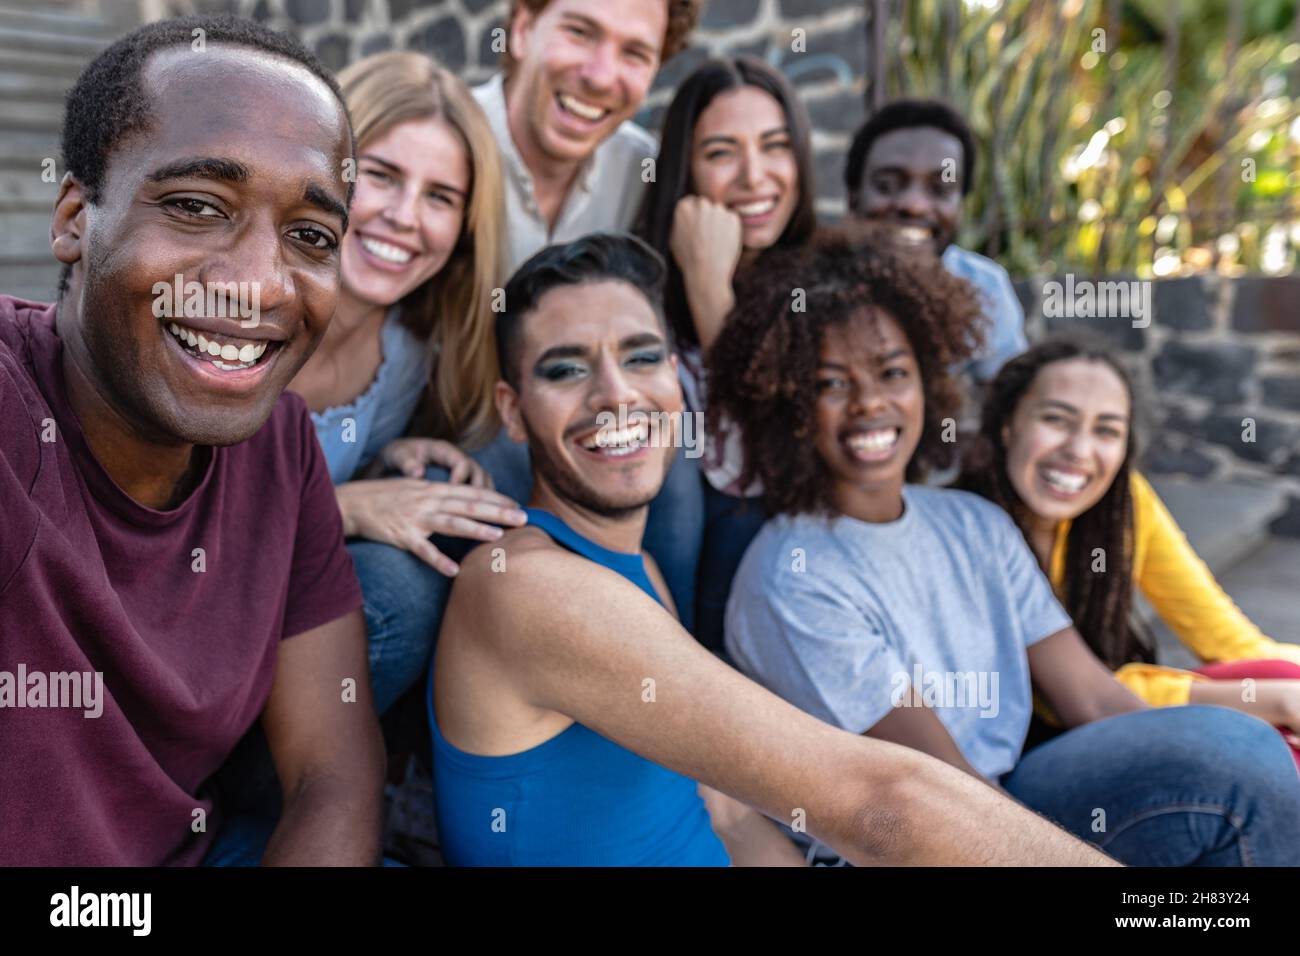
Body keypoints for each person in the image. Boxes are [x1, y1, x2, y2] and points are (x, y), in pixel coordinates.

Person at [427, 232, 1115, 867]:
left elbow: (724, 811)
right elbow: (879, 804)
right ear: (512, 411)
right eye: (566, 369)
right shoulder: (529, 587)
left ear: (676, 380)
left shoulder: (636, 572)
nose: (616, 394)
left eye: (640, 357)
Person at [716, 226, 1300, 866]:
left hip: (1006, 797)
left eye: (892, 372)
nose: (870, 403)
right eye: (832, 383)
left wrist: (1191, 750)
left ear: (928, 382)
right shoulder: (793, 576)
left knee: (1238, 750)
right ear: (793, 403)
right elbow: (935, 791)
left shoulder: (975, 524)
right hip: (907, 838)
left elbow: (1095, 699)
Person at [0, 15, 384, 866]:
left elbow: (332, 774)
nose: (258, 285)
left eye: (310, 236)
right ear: (75, 218)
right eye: (196, 208)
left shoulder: (280, 443)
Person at [286, 51, 524, 716]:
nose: (405, 216)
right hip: (179, 617)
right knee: (396, 593)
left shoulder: (406, 356)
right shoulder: (234, 314)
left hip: (287, 604)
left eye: (440, 197)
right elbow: (174, 528)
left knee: (466, 485)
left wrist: (385, 457)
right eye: (381, 176)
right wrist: (347, 506)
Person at [462, 0, 707, 629]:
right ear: (521, 29)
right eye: (579, 32)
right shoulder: (447, 143)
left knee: (673, 449)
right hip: (452, 430)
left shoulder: (641, 169)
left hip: (568, 429)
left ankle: (674, 649)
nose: (601, 75)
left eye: (634, 53)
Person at [955, 337, 1300, 766]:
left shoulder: (1124, 506)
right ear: (1008, 425)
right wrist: (1276, 701)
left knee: (1282, 680)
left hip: (1115, 706)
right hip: (1032, 753)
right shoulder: (966, 529)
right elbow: (1072, 700)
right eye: (1056, 419)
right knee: (1268, 722)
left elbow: (1225, 637)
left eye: (1106, 430)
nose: (1079, 451)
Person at [634, 55, 816, 650]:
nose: (754, 177)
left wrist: (710, 286)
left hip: (762, 563)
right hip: (660, 561)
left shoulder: (824, 287)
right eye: (721, 153)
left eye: (775, 146)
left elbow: (779, 452)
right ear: (684, 171)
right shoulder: (636, 286)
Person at [844, 98, 1027, 383]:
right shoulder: (810, 285)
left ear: (960, 206)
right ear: (853, 198)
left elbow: (1007, 394)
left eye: (940, 188)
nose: (914, 205)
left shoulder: (984, 287)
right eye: (887, 185)